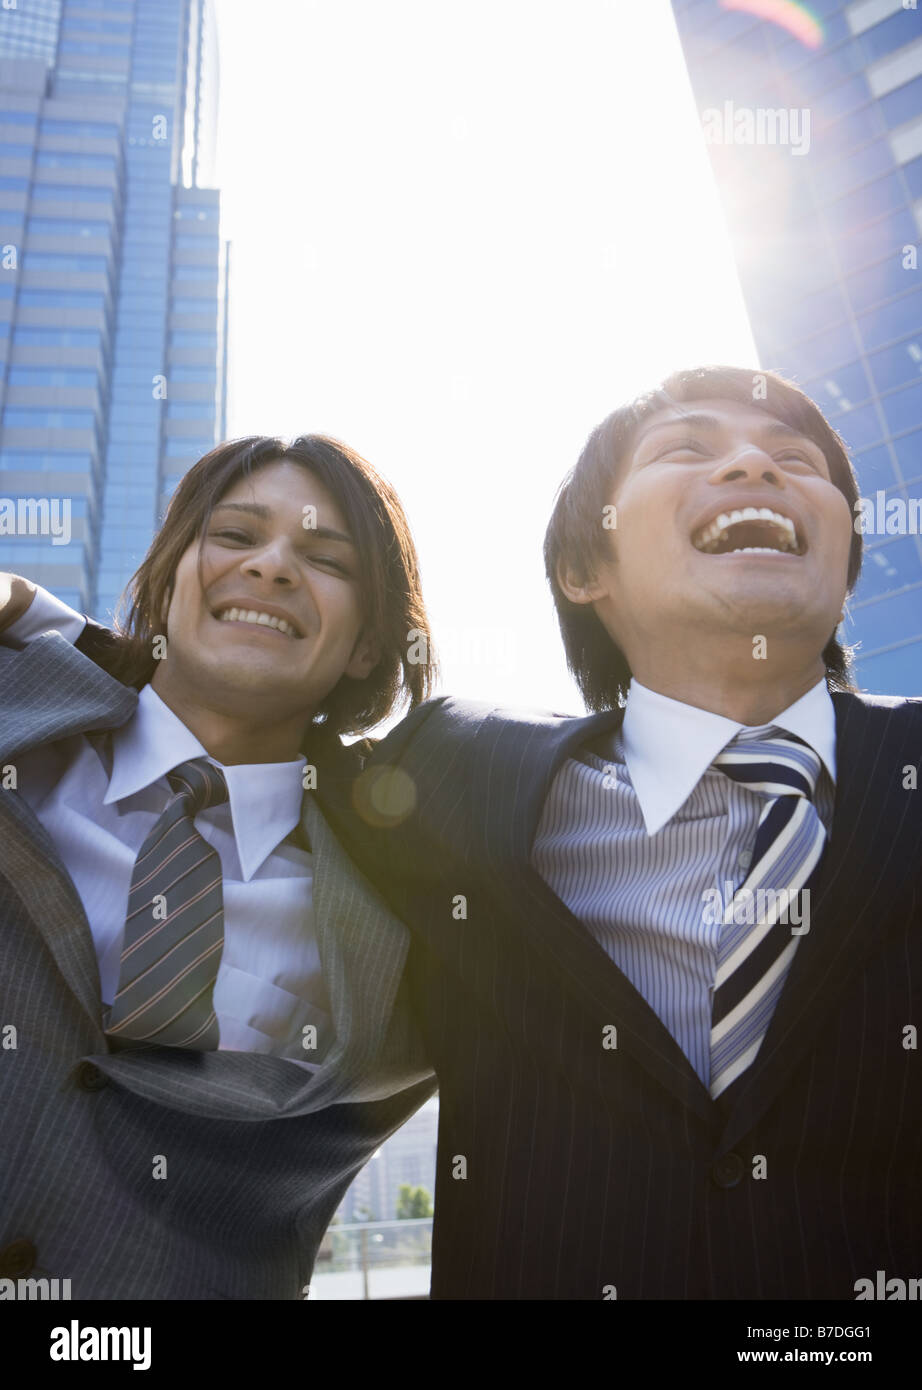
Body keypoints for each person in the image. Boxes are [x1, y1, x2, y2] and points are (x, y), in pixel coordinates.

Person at [316, 364, 922, 1299]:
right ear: (583, 568)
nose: (756, 465)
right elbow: (231, 727)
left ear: (845, 568)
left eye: (797, 460)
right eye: (689, 448)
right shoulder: (454, 772)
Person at [0, 433, 438, 1300]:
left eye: (324, 558)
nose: (272, 567)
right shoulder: (20, 711)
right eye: (235, 537)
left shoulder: (399, 910)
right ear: (166, 583)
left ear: (364, 647)